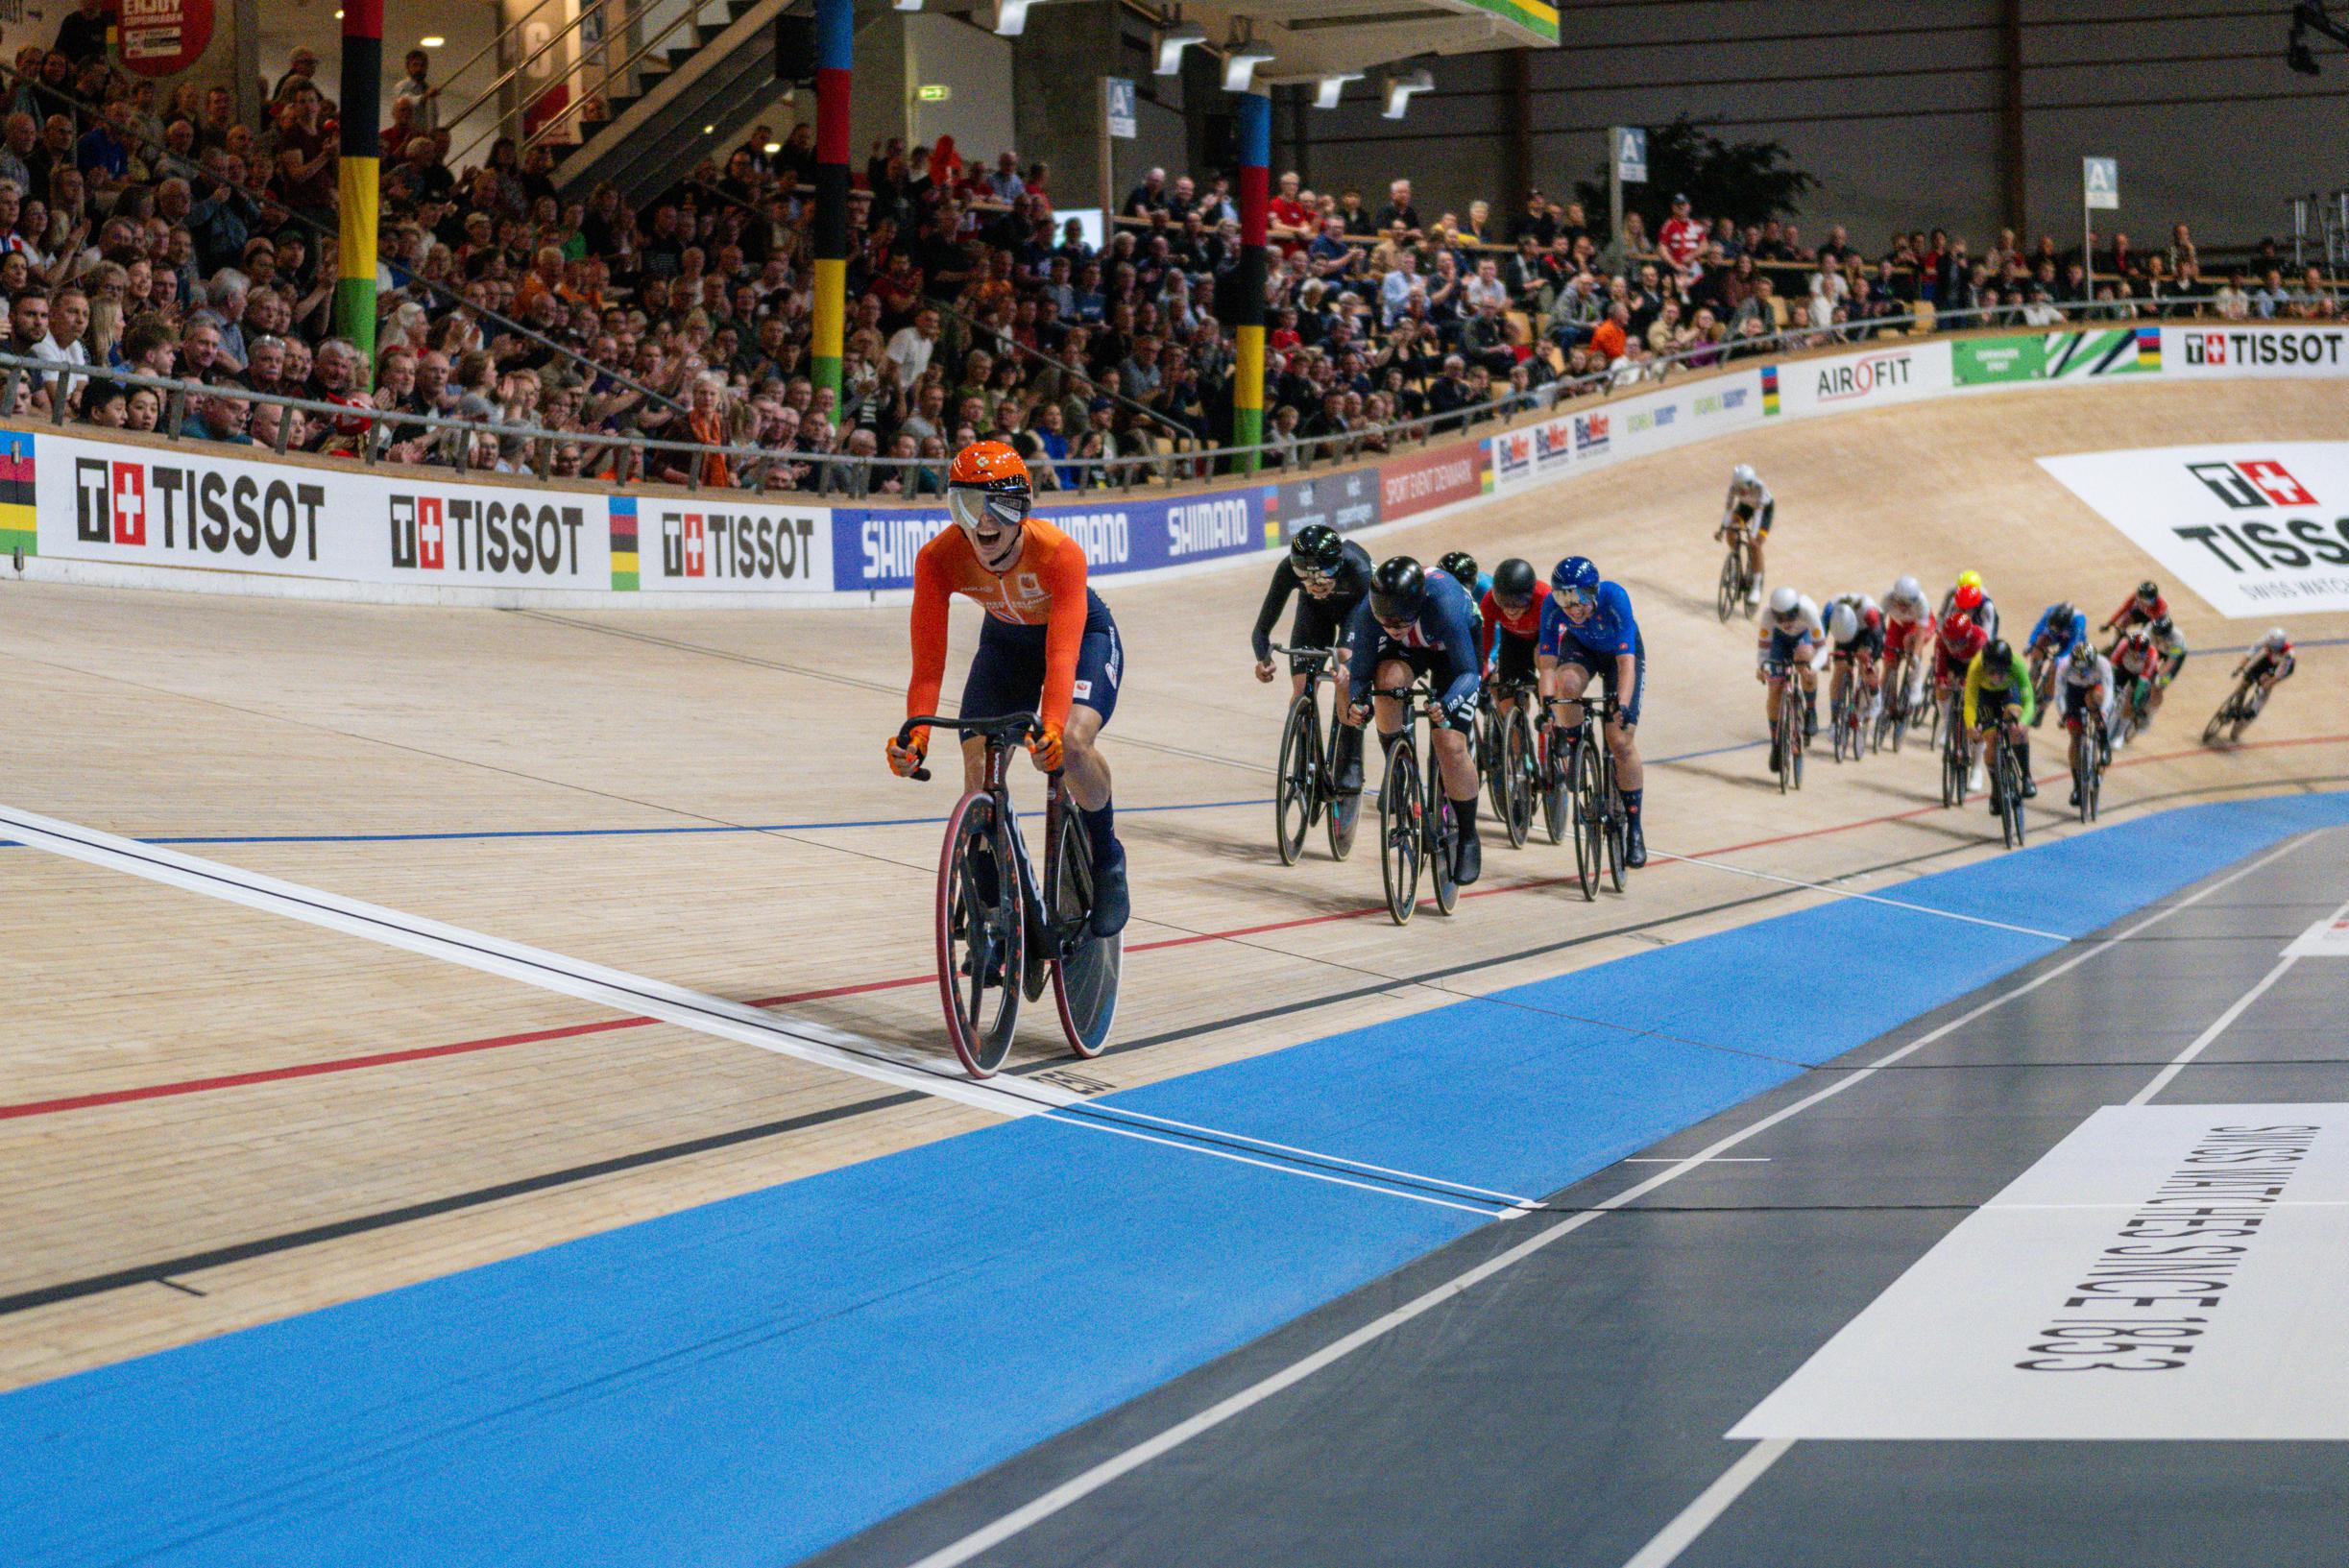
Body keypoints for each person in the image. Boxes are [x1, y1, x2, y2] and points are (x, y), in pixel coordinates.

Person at [884, 442, 1128, 936]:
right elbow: (927, 669)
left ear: (1023, 508)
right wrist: (916, 737)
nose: (982, 523)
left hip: (1082, 638)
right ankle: (993, 908)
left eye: (997, 507)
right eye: (966, 506)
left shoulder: (1059, 553)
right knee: (979, 768)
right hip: (1007, 644)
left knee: (1071, 744)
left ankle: (1107, 858)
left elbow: (1061, 657)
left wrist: (1052, 727)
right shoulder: (937, 559)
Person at [1342, 556, 1486, 885]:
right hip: (1413, 647)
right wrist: (1358, 703)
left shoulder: (1444, 603)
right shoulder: (1370, 611)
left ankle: (1467, 835)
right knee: (1387, 682)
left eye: (1400, 620)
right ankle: (1399, 768)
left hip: (1454, 651)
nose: (1392, 626)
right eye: (1386, 621)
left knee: (1448, 743)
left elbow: (1468, 673)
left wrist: (1447, 704)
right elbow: (1360, 675)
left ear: (1417, 605)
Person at [1537, 555, 1647, 865]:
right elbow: (1547, 666)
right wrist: (1547, 707)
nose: (1572, 609)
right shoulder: (1551, 607)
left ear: (1594, 591)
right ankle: (1575, 746)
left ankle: (1634, 828)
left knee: (1620, 741)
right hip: (1582, 648)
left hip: (1619, 658)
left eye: (1578, 600)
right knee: (1566, 685)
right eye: (1564, 600)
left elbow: (1626, 665)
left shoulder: (1615, 598)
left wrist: (1622, 706)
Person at [1251, 521, 1371, 797]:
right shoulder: (1288, 568)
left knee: (1344, 658)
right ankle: (1304, 763)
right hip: (1315, 614)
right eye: (1305, 579)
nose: (1315, 586)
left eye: (1323, 577)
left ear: (1338, 566)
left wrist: (1353, 671)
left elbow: (1373, 630)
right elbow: (1261, 630)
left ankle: (1350, 760)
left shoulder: (1359, 568)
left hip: (1354, 611)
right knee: (1301, 688)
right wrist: (1263, 659)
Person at [1963, 636, 2038, 810]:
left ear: (2008, 666)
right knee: (1991, 739)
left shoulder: (2017, 664)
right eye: (1992, 672)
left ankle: (2026, 776)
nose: (1997, 677)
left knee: (2015, 723)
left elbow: (2029, 701)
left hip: (2009, 692)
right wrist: (1971, 725)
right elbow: (1970, 702)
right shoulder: (1976, 667)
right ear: (1985, 667)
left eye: (2001, 672)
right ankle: (1996, 789)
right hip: (1985, 696)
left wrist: (2023, 723)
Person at [1756, 586, 1824, 773]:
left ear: (1797, 610)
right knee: (1774, 690)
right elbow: (1763, 652)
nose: (1785, 622)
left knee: (1805, 662)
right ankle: (1776, 742)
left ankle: (1811, 710)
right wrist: (1763, 669)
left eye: (1790, 616)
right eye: (1780, 618)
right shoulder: (1767, 615)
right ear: (1773, 613)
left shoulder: (1808, 610)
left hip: (1803, 639)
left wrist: (1813, 669)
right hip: (1779, 642)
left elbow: (1822, 650)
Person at [2052, 639, 2115, 807]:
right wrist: (2063, 714)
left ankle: (2104, 743)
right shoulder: (2064, 665)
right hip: (2073, 694)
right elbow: (2059, 693)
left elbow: (2109, 691)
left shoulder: (2103, 664)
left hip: (2094, 691)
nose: (2081, 672)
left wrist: (2104, 712)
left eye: (2086, 669)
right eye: (2078, 668)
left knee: (2092, 698)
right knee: (2075, 737)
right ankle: (2077, 787)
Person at [1823, 591, 1885, 728]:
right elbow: (1820, 638)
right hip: (1843, 632)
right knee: (1839, 668)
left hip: (1867, 631)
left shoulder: (1869, 612)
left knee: (1866, 664)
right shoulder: (1830, 609)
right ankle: (1834, 720)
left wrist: (1870, 662)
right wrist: (1822, 655)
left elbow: (1879, 643)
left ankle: (1875, 696)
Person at [1717, 463, 1772, 609]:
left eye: (1744, 487)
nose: (1741, 490)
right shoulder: (1733, 488)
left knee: (1755, 546)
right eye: (1738, 487)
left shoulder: (1759, 488)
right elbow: (1729, 511)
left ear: (1751, 483)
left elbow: (1758, 515)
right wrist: (1722, 529)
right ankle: (1735, 560)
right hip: (1745, 508)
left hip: (1764, 510)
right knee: (1731, 529)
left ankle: (1756, 586)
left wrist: (1753, 536)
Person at [1880, 573, 1934, 714]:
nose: (1905, 607)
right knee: (1889, 664)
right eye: (1902, 603)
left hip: (1918, 626)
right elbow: (1878, 626)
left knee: (1910, 642)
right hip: (1897, 624)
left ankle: (1915, 681)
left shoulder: (1922, 602)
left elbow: (1921, 634)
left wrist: (1915, 657)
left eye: (1909, 604)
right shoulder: (1887, 598)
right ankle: (1890, 706)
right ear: (1895, 597)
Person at [2230, 628, 2297, 725]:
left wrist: (2264, 687)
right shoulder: (2266, 639)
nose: (2268, 647)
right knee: (2246, 680)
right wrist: (2240, 667)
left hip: (2282, 667)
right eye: (2268, 645)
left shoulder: (2288, 655)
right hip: (2270, 660)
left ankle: (2255, 710)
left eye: (2271, 647)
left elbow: (2277, 676)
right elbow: (2251, 653)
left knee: (2263, 685)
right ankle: (2237, 707)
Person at [2110, 626, 2163, 741]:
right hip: (2125, 669)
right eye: (2133, 652)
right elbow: (2112, 668)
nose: (2136, 655)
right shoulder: (2123, 645)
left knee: (2131, 702)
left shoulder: (2152, 654)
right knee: (2111, 692)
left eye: (2140, 653)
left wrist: (2135, 699)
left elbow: (2142, 681)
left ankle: (2120, 735)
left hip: (2141, 675)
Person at [2100, 580, 2166, 656]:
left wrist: (2135, 638)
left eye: (2146, 599)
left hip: (2154, 619)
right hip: (2141, 612)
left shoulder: (2161, 607)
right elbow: (2123, 609)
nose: (2141, 600)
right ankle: (2114, 645)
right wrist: (2109, 623)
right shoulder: (2136, 596)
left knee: (2144, 638)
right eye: (2141, 598)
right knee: (2122, 624)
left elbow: (2152, 628)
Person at [2144, 614, 2189, 719]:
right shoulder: (2148, 629)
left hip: (2176, 657)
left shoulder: (2178, 639)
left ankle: (2151, 713)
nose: (2161, 637)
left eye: (2164, 635)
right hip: (2158, 650)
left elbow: (2170, 662)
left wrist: (2158, 677)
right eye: (2158, 635)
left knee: (2158, 686)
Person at [1941, 568, 1998, 639]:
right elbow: (1945, 619)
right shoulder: (1954, 596)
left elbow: (1987, 635)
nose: (1964, 610)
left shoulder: (1987, 606)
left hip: (1980, 617)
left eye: (1966, 608)